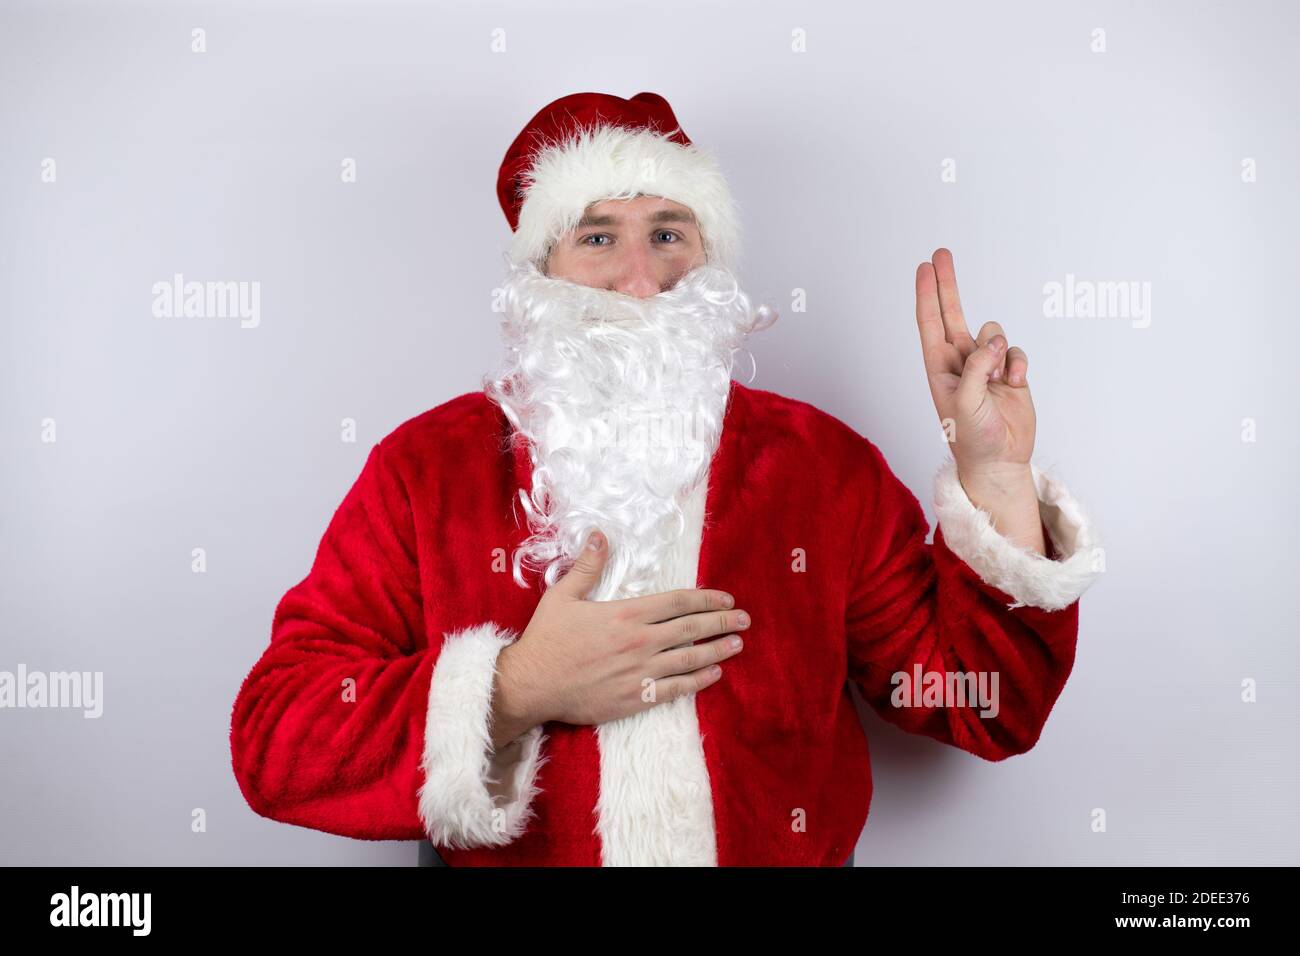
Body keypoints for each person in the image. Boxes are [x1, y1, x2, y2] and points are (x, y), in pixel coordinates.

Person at [229, 91, 1103, 867]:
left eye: (669, 234)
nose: (642, 280)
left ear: (710, 260)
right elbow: (278, 742)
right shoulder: (429, 471)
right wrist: (515, 689)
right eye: (599, 236)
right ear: (542, 273)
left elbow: (987, 707)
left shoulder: (819, 469)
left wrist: (995, 477)